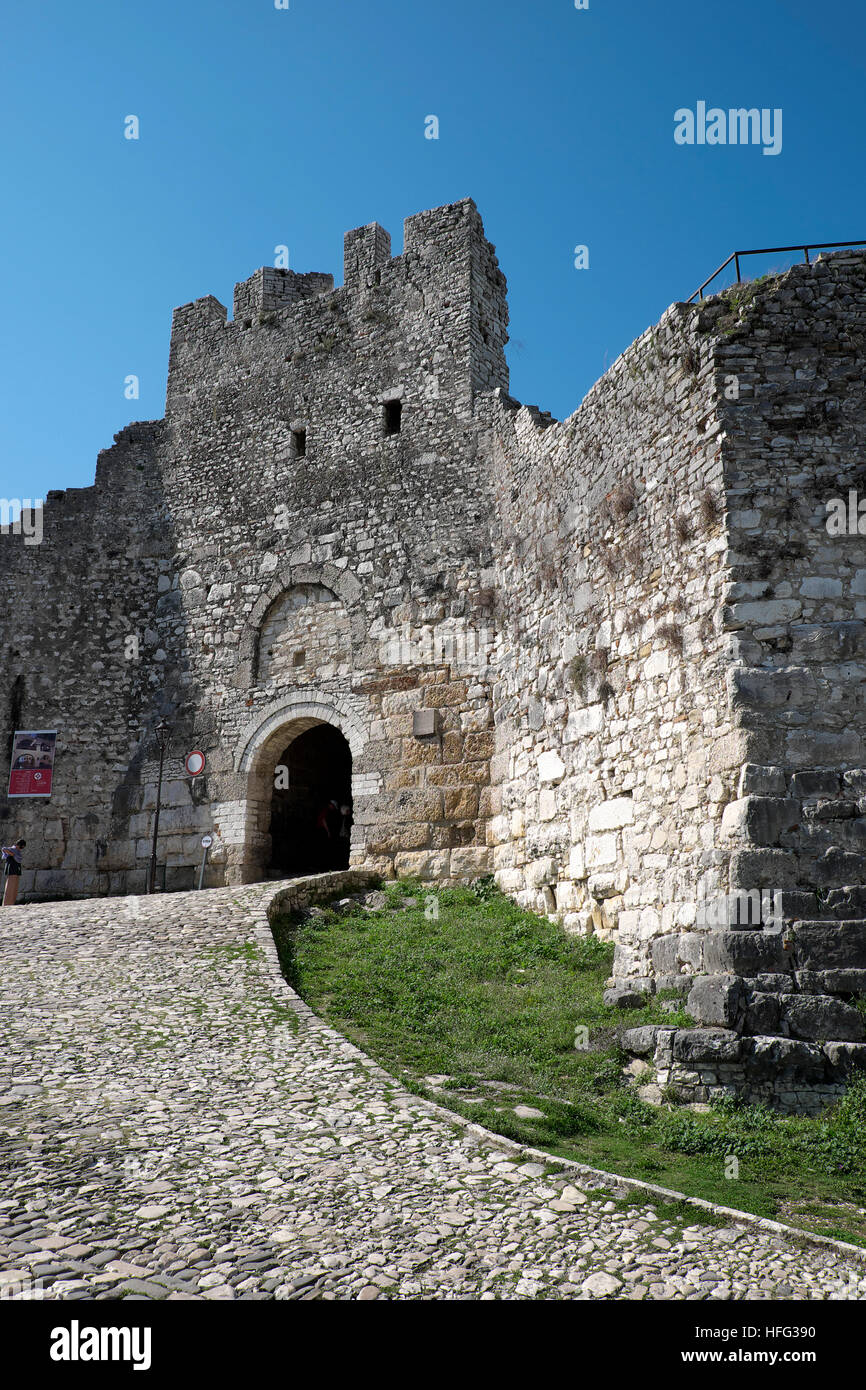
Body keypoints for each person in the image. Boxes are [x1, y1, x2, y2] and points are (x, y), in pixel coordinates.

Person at [1, 840, 26, 907]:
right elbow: (4, 849)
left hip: (16, 869)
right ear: (18, 845)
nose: (21, 849)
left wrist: (13, 854)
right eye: (21, 847)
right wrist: (12, 854)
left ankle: (11, 902)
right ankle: (7, 903)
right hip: (12, 868)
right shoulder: (13, 849)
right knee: (10, 885)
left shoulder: (17, 851)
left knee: (14, 886)